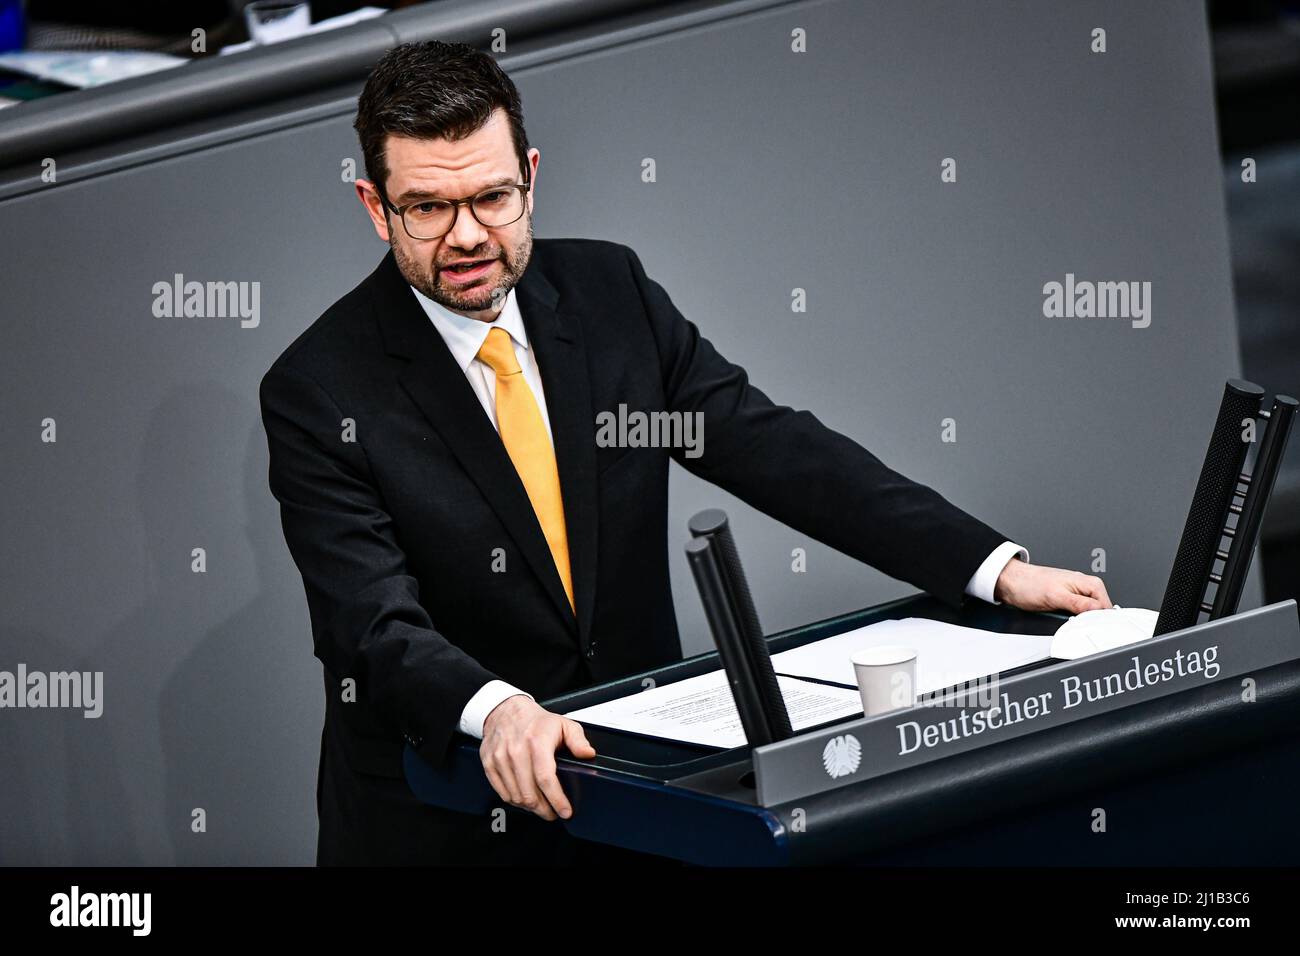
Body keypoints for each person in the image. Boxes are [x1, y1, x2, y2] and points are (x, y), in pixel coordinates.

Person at [259, 39, 1112, 865]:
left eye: (493, 198)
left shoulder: (610, 295)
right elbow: (368, 619)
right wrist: (497, 710)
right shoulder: (321, 388)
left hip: (642, 799)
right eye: (428, 209)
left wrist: (990, 567)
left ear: (532, 179)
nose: (468, 236)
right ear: (377, 207)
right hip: (448, 820)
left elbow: (774, 450)